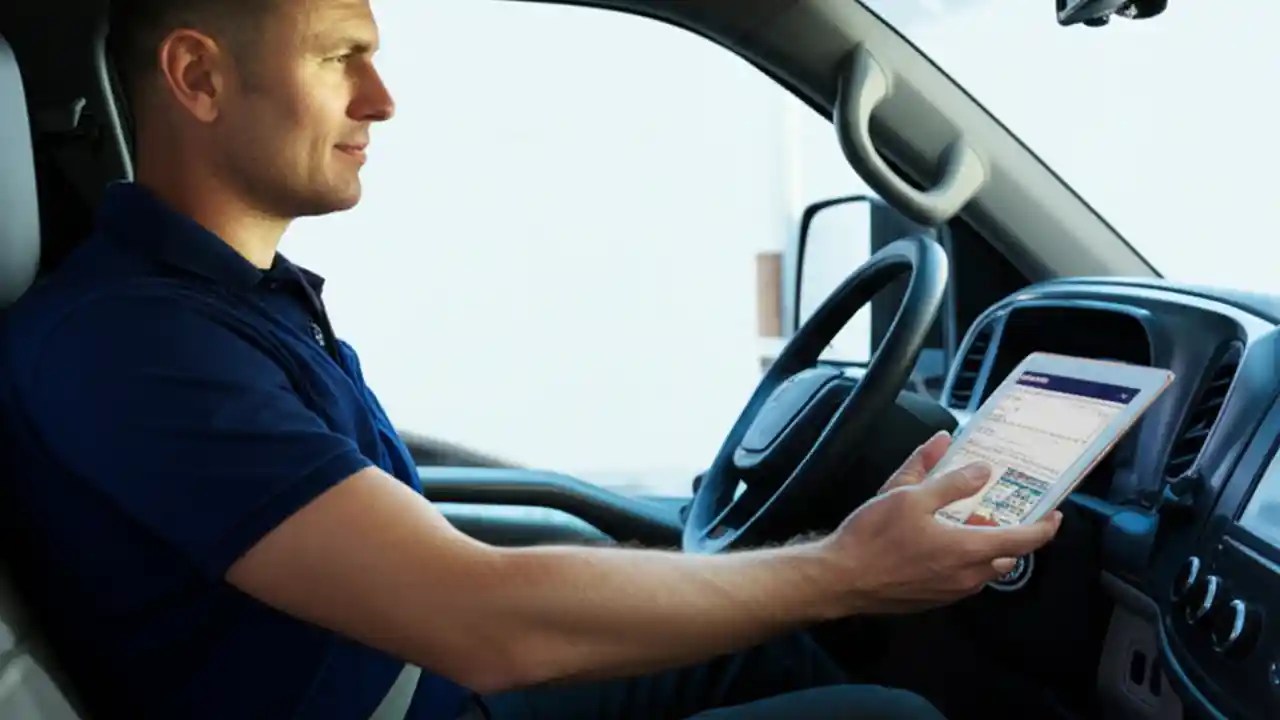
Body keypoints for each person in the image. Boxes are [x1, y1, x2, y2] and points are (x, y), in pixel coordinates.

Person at [0, 1, 1063, 718]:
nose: (380, 98)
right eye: (336, 57)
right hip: (427, 686)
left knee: (762, 648)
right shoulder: (128, 345)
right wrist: (845, 570)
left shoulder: (229, 306)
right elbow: (478, 620)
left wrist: (806, 572)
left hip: (420, 680)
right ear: (198, 76)